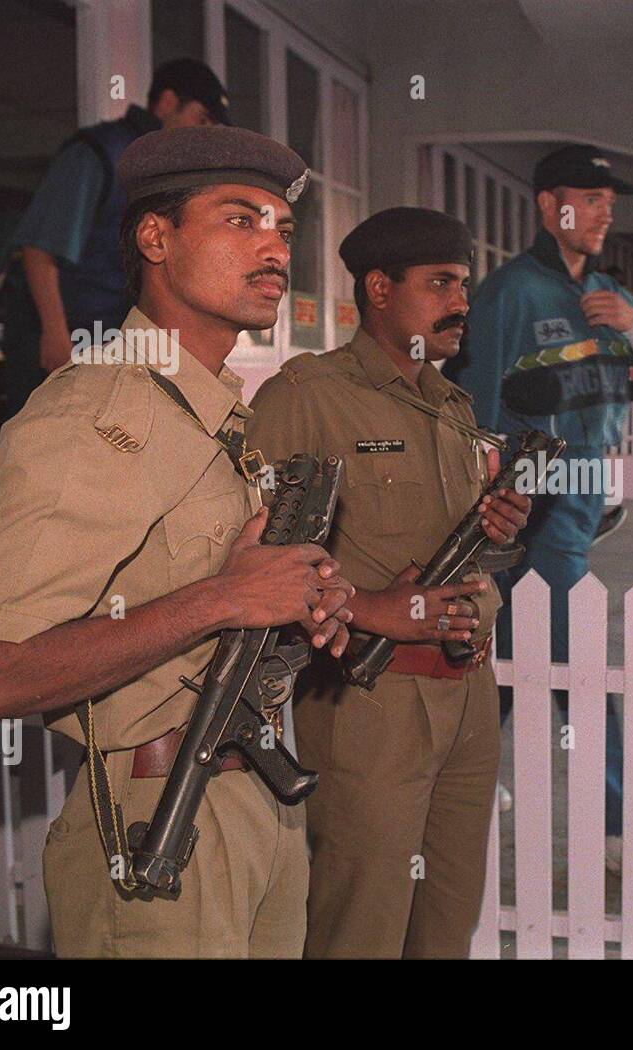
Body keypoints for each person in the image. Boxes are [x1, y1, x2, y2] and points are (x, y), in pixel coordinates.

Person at [0, 125, 355, 957]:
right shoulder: (93, 415)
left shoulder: (217, 413)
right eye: (241, 220)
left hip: (257, 808)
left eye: (283, 229)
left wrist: (289, 603)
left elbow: (202, 610)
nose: (273, 248)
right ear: (155, 238)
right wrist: (224, 598)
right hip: (161, 826)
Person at [246, 208, 531, 957]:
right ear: (379, 288)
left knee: (446, 922)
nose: (461, 303)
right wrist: (371, 607)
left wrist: (495, 527)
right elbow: (248, 559)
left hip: (468, 696)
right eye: (441, 283)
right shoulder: (307, 396)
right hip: (372, 702)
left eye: (464, 284)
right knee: (362, 925)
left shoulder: (454, 408)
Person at [445, 144, 633, 881]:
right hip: (527, 490)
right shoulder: (511, 293)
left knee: (511, 657)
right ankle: (617, 827)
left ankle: (462, 782)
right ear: (550, 206)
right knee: (577, 659)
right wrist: (495, 499)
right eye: (592, 196)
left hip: (583, 494)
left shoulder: (610, 295)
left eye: (614, 200)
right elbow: (475, 406)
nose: (607, 211)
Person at [15, 58, 229, 389]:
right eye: (201, 119)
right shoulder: (98, 152)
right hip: (72, 344)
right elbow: (40, 248)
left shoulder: (169, 174)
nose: (204, 134)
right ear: (168, 102)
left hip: (122, 349)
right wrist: (56, 335)